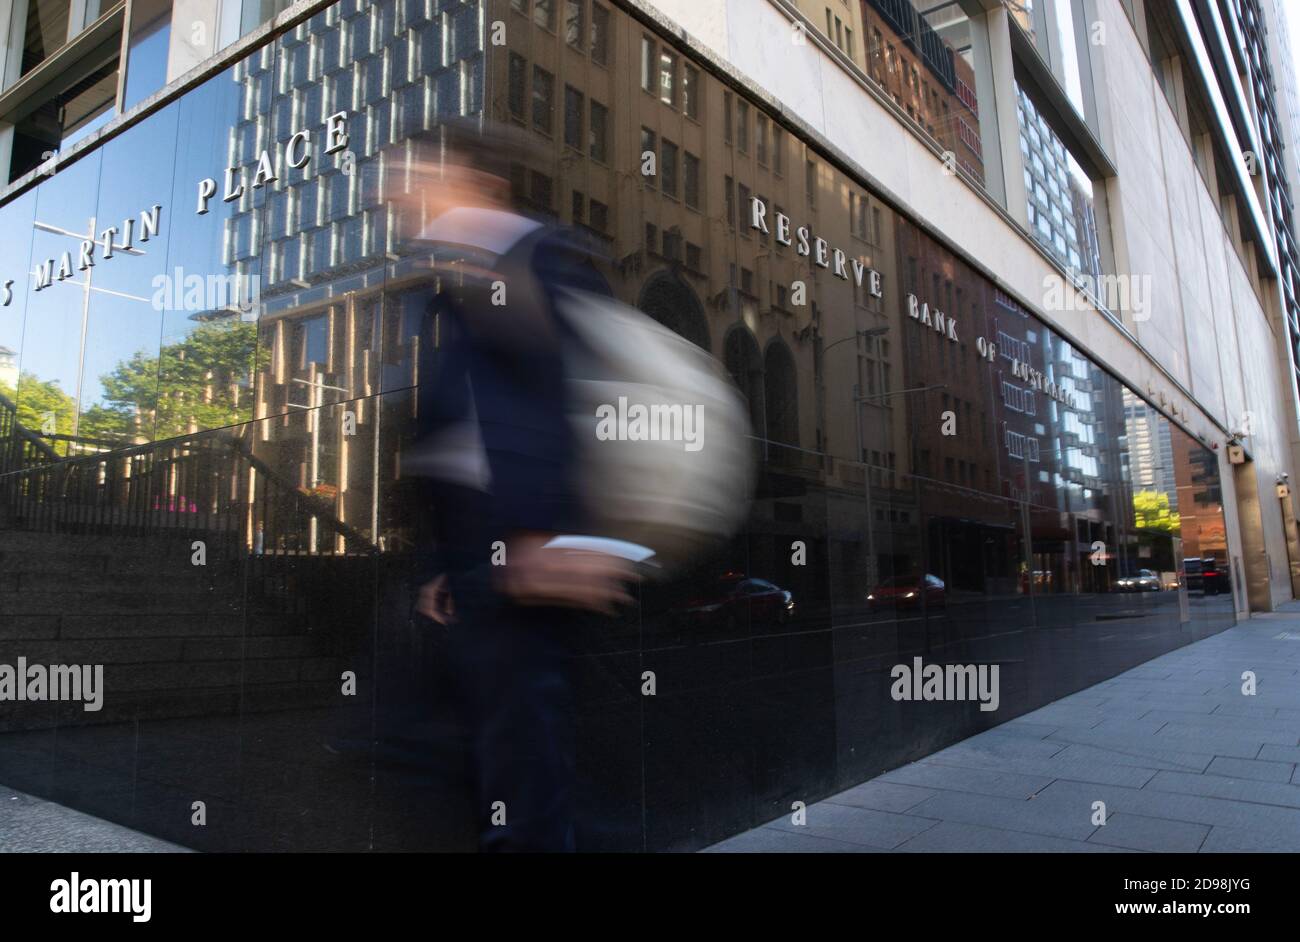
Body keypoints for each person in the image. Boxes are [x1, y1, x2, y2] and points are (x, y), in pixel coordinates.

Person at [393, 119, 634, 852]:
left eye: (418, 175)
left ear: (481, 183)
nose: (399, 194)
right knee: (491, 769)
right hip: (478, 566)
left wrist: (553, 533)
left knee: (526, 779)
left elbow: (580, 403)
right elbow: (457, 437)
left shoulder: (545, 262)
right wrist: (442, 561)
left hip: (536, 560)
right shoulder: (454, 290)